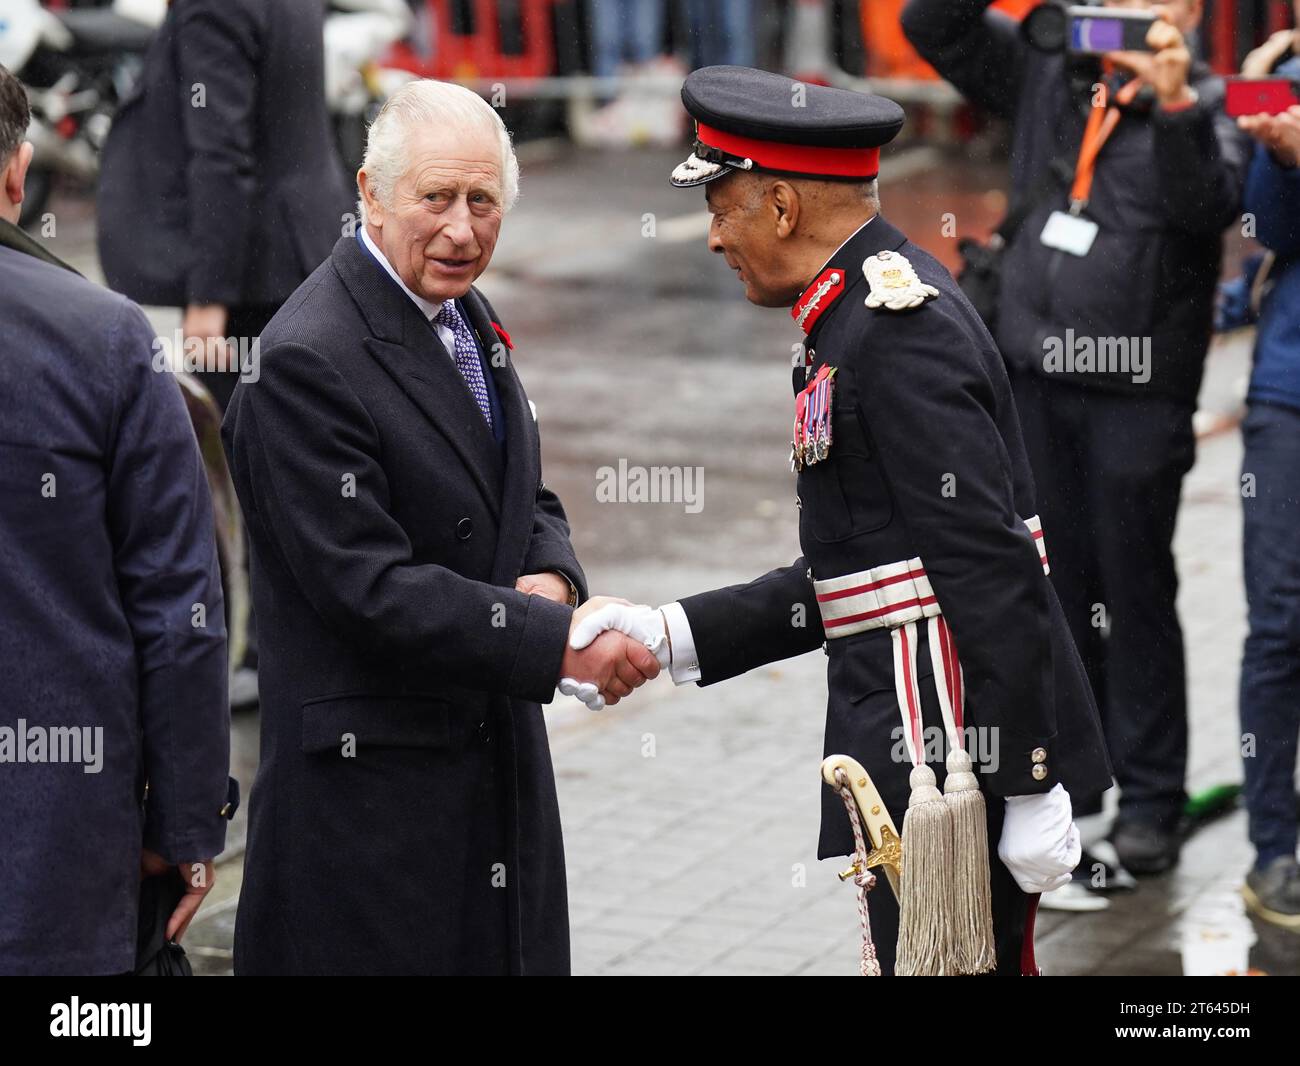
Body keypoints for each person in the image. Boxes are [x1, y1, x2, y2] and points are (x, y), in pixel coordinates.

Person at [571, 65, 1112, 975]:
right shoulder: (854, 318)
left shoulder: (896, 330)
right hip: (920, 754)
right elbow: (868, 569)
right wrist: (673, 634)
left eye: (723, 207)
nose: (713, 238)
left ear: (781, 206)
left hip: (953, 766)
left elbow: (990, 563)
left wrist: (1029, 781)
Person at [223, 79, 661, 976]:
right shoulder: (307, 359)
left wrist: (552, 579)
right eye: (436, 199)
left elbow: (523, 488)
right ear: (370, 195)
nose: (462, 230)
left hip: (490, 777)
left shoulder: (462, 312)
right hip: (375, 813)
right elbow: (368, 590)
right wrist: (556, 643)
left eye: (484, 201)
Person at [903, 0, 1249, 876]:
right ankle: (1071, 782)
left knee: (1134, 592)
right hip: (1033, 374)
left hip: (1139, 390)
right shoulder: (1053, 66)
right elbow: (932, 25)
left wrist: (1170, 104)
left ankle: (1152, 800)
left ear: (1191, 11)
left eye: (1154, 0)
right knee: (1050, 590)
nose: (1132, 13)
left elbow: (1208, 204)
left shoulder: (1208, 103)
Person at [0, 63, 233, 975]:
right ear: (18, 175)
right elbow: (181, 605)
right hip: (60, 860)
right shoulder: (101, 337)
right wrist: (182, 825)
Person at [97, 0, 352, 412]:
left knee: (248, 453)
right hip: (303, 247)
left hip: (250, 276)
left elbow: (221, 156)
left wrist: (209, 299)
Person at [1236, 16, 1300, 930]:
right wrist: (1282, 150)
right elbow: (1258, 223)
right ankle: (1274, 852)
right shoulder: (1277, 74)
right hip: (1289, 395)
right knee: (1282, 625)